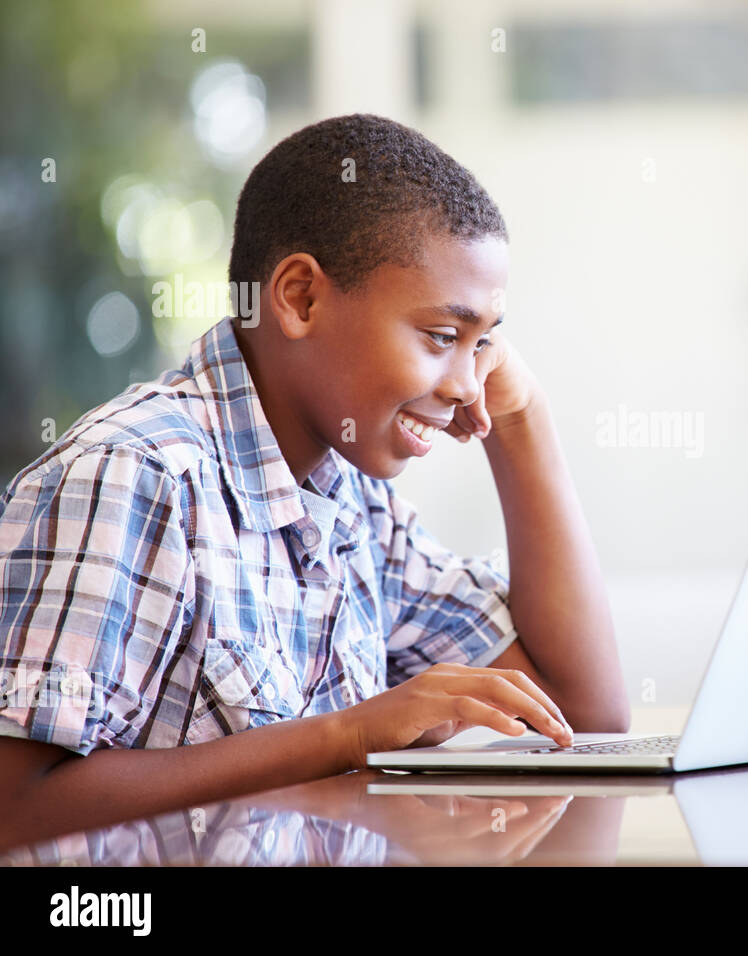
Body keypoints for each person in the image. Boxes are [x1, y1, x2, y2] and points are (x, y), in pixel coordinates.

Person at [0, 114, 629, 851]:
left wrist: (522, 415)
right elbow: (16, 807)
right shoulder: (135, 477)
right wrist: (349, 735)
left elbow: (580, 712)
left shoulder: (355, 498)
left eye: (484, 342)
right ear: (299, 298)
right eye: (441, 336)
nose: (468, 382)